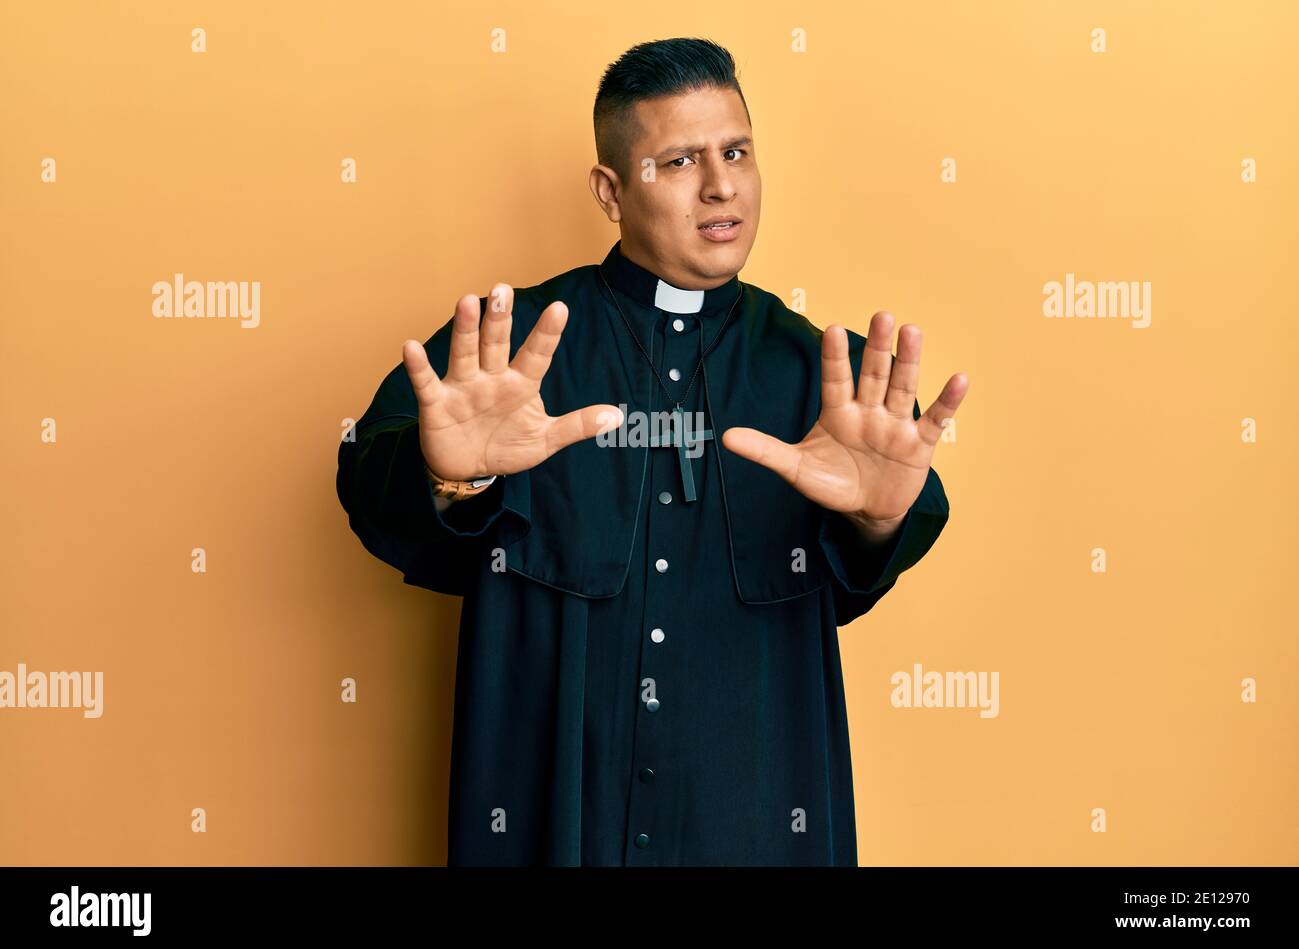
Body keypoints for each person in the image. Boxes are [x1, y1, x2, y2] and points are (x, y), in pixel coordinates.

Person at [336, 37, 969, 866]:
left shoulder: (826, 378)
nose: (721, 185)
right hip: (548, 821)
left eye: (737, 152)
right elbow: (371, 490)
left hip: (755, 821)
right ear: (611, 189)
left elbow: (861, 569)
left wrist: (877, 524)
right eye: (678, 161)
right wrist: (453, 474)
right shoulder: (506, 350)